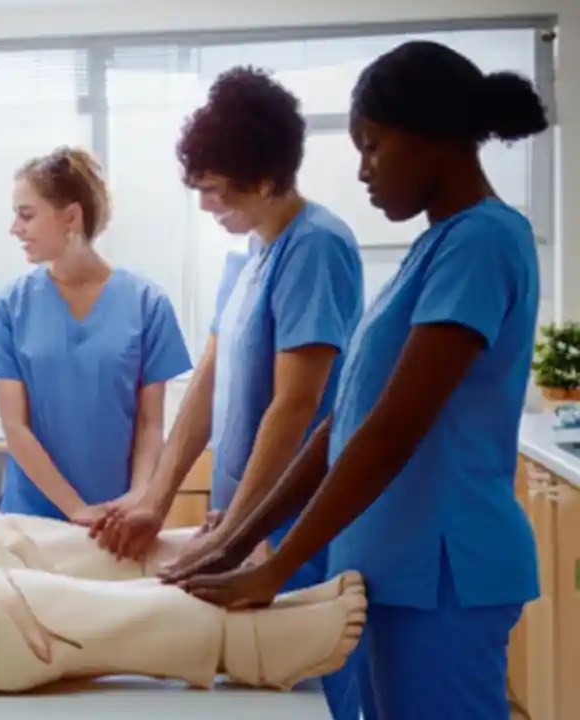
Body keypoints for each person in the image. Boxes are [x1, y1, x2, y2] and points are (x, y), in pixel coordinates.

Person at [164, 41, 548, 720]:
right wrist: (233, 540)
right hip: (392, 570)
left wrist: (275, 568)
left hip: (445, 576)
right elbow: (339, 428)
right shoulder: (428, 251)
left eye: (372, 146)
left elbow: (393, 430)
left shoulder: (483, 242)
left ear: (433, 137)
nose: (363, 170)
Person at [84, 69, 366, 720]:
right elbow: (208, 383)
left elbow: (297, 404)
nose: (205, 203)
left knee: (302, 697)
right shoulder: (249, 255)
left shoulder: (316, 247)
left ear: (264, 179)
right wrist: (156, 498)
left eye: (213, 189)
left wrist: (241, 530)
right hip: (241, 519)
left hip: (292, 528)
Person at [0, 147, 191, 522]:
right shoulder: (10, 307)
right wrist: (76, 510)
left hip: (118, 518)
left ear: (71, 216)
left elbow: (150, 422)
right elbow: (15, 427)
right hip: (31, 516)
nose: (15, 229)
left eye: (26, 215)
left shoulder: (147, 304)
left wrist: (140, 496)